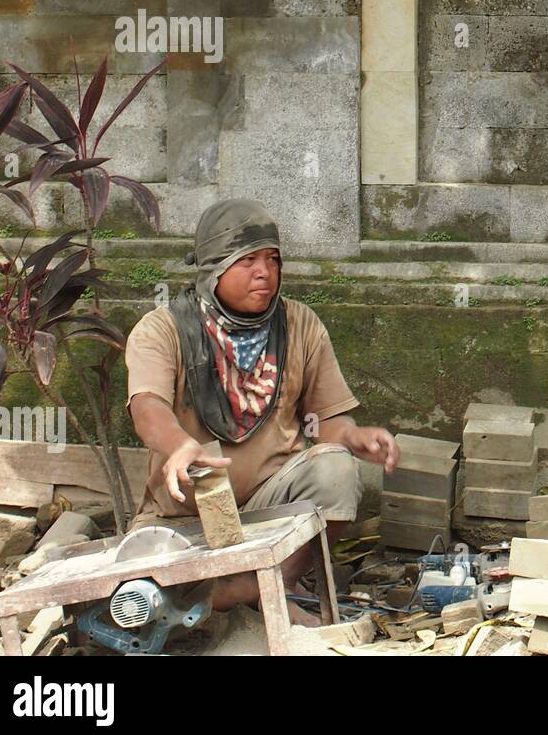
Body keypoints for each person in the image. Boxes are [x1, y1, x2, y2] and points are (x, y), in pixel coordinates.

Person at [125, 198, 399, 623]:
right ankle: (249, 591)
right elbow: (147, 406)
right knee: (143, 606)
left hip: (273, 512)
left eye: (272, 259)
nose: (264, 273)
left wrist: (353, 437)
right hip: (185, 517)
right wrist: (180, 445)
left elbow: (328, 419)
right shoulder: (163, 330)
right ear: (213, 269)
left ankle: (260, 587)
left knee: (338, 470)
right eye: (247, 260)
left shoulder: (300, 324)